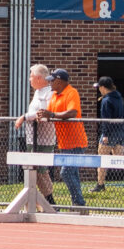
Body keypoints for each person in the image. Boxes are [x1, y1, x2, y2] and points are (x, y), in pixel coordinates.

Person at [42, 69, 88, 213]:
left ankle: (79, 204)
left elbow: (72, 112)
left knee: (66, 173)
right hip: (64, 142)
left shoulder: (71, 92)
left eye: (52, 80)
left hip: (76, 141)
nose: (50, 83)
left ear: (59, 81)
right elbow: (49, 114)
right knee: (72, 173)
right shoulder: (54, 95)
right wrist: (42, 115)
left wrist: (53, 114)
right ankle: (78, 205)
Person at [12, 64, 58, 205]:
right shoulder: (38, 92)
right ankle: (37, 202)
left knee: (40, 171)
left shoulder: (49, 93)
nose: (29, 79)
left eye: (31, 76)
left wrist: (25, 117)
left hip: (44, 140)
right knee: (33, 170)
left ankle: (51, 203)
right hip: (33, 139)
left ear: (38, 78)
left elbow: (43, 113)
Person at [93, 76, 124, 192]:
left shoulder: (106, 101)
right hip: (121, 132)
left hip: (110, 133)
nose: (99, 89)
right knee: (120, 158)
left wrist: (105, 134)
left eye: (99, 87)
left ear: (104, 87)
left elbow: (106, 120)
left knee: (102, 158)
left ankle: (100, 184)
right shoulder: (118, 96)